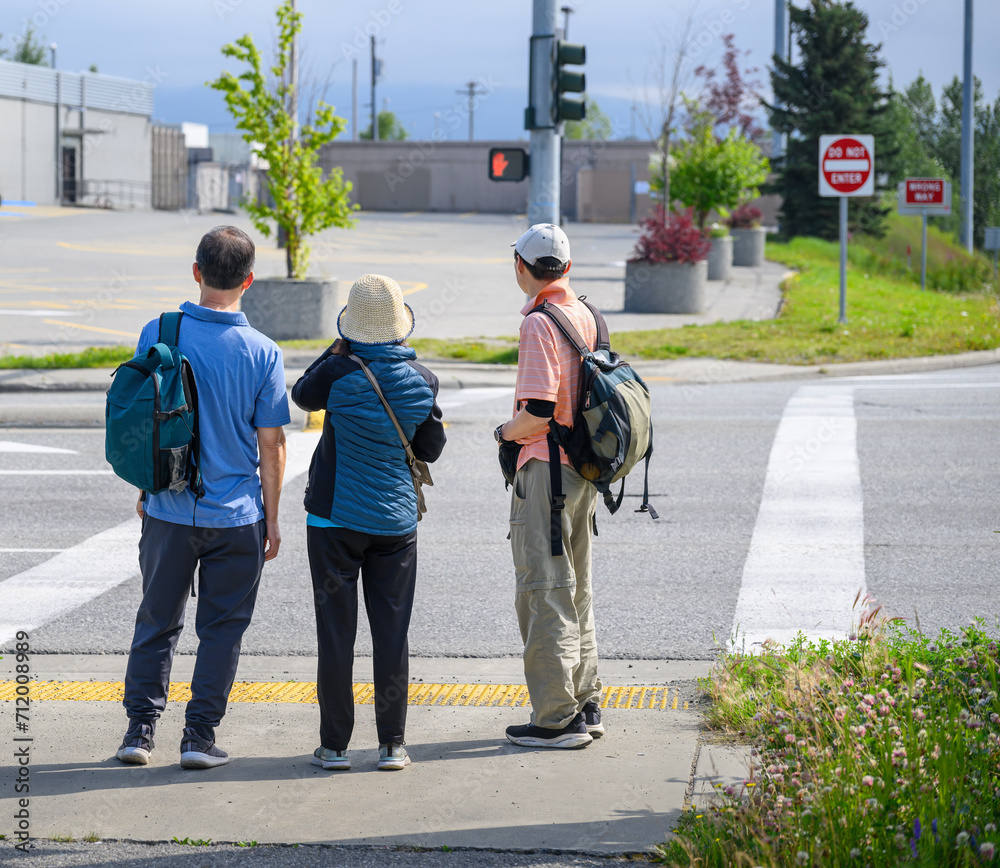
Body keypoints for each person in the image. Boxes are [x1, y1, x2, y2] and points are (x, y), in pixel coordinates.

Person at [116, 225, 290, 769]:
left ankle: (139, 732)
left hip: (167, 507)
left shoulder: (158, 331)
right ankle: (198, 737)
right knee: (222, 629)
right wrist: (273, 519)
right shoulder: (263, 352)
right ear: (249, 281)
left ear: (196, 272)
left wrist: (148, 487)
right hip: (235, 514)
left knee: (157, 619)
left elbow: (143, 419)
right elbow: (272, 443)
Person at [291, 273, 445, 772]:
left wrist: (335, 352)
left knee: (335, 633)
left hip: (333, 521)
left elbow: (301, 395)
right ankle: (392, 744)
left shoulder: (335, 374)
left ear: (351, 328)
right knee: (391, 633)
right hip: (395, 525)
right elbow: (431, 448)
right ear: (401, 328)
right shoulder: (423, 380)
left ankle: (334, 746)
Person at [495, 223, 603, 750]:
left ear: (522, 266)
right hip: (585, 470)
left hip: (548, 470)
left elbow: (537, 412)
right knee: (576, 585)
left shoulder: (539, 323)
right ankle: (585, 700)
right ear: (566, 267)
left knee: (542, 588)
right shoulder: (585, 313)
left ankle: (556, 719)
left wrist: (502, 432)